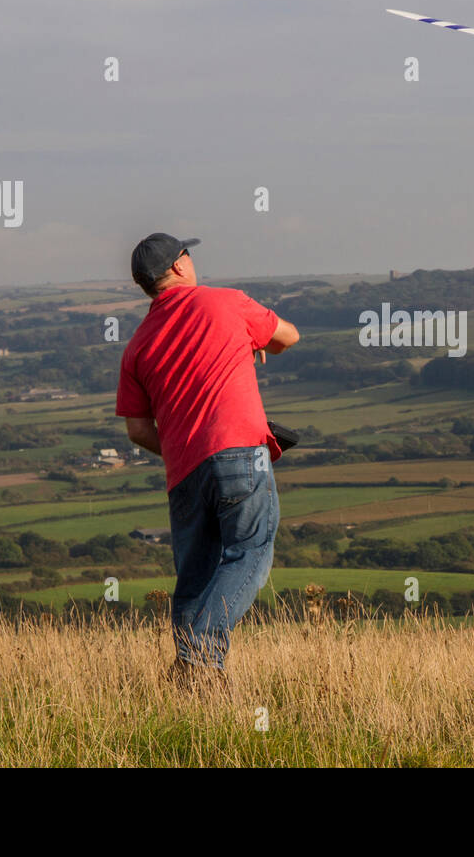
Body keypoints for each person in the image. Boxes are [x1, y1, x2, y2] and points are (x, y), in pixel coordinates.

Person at [115, 233, 299, 687]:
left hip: (184, 472)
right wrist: (253, 345)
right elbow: (288, 336)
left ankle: (195, 686)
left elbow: (138, 430)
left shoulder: (137, 345)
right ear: (178, 267)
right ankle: (199, 653)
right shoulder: (224, 303)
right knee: (249, 551)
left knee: (194, 576)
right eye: (187, 254)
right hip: (241, 452)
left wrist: (182, 446)